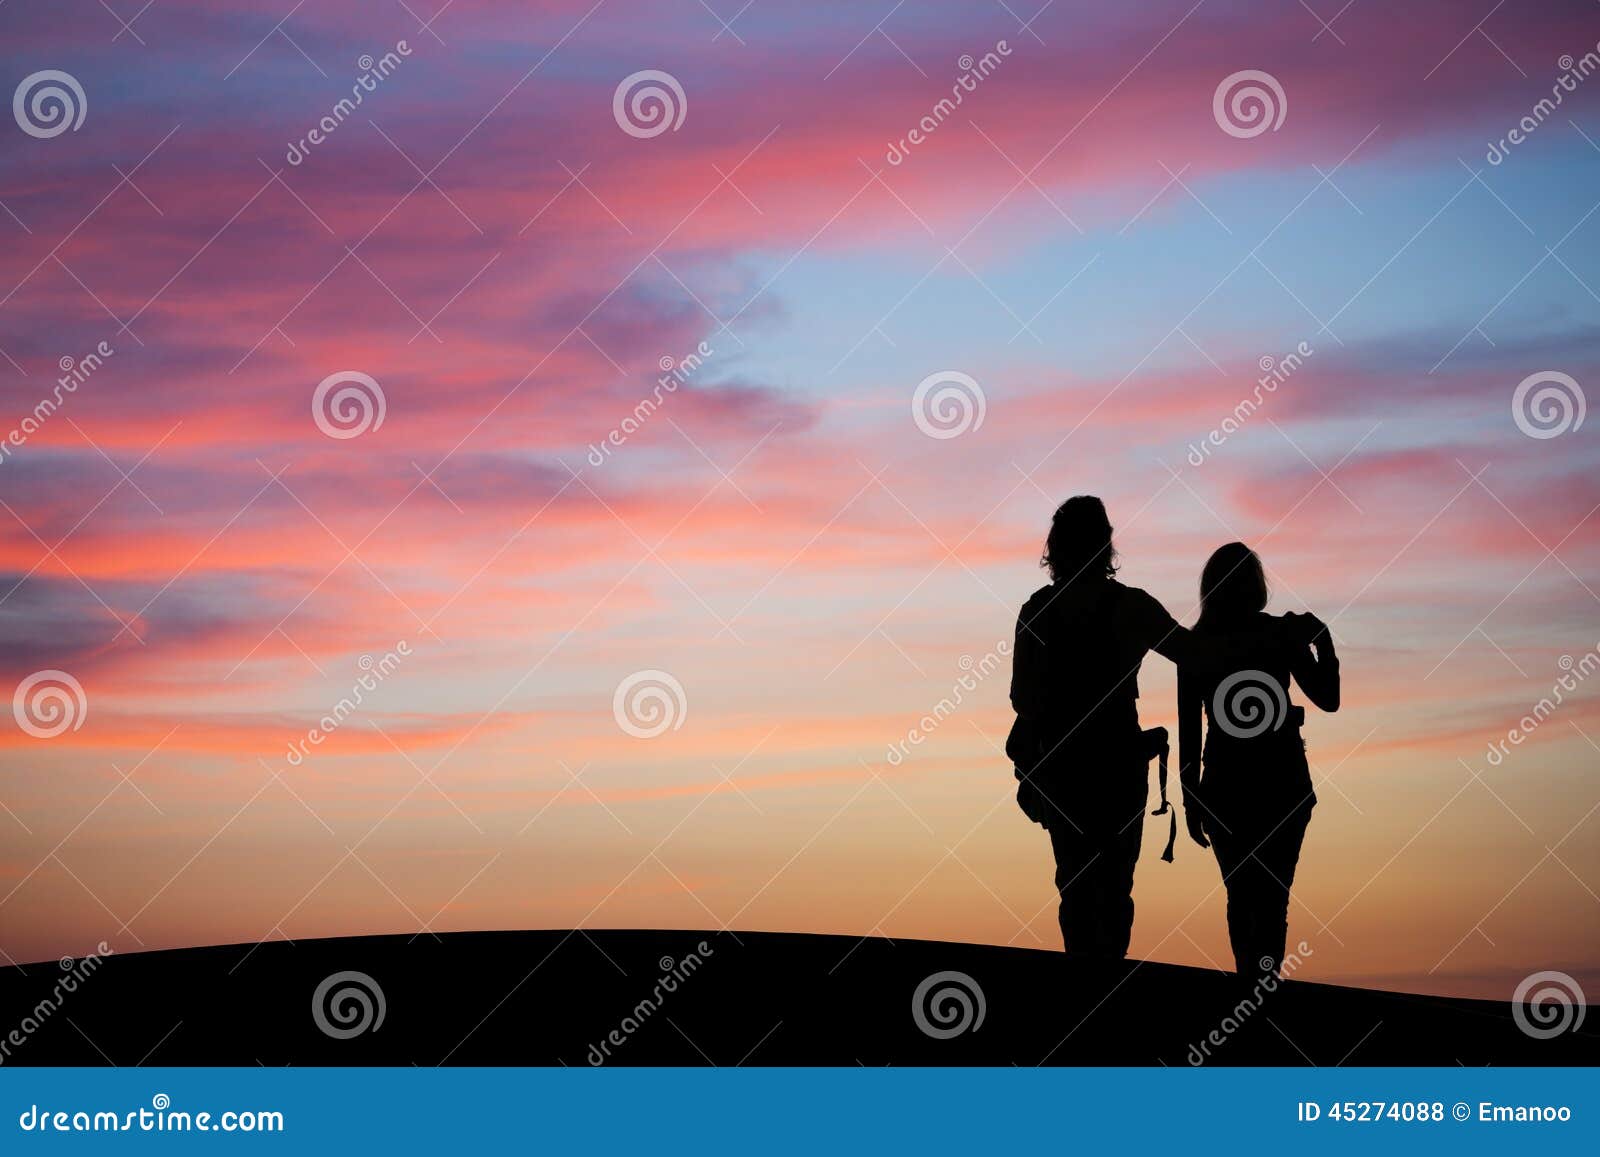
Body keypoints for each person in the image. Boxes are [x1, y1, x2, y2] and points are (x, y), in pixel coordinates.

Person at [1007, 497, 1301, 960]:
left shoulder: (1037, 611)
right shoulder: (1131, 606)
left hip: (1063, 774)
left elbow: (1022, 700)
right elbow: (1196, 654)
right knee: (1115, 888)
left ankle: (1082, 993)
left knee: (1076, 888)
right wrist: (1272, 636)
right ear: (1106, 544)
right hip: (1118, 771)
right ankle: (1104, 986)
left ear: (1055, 546)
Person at [1178, 542, 1339, 979]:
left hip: (1226, 791)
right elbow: (1330, 698)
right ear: (1255, 587)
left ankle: (1250, 985)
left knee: (1242, 897)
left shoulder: (1196, 645)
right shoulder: (1278, 634)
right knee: (1272, 901)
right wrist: (1323, 640)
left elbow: (1189, 733)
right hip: (1281, 787)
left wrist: (1191, 800)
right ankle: (1261, 987)